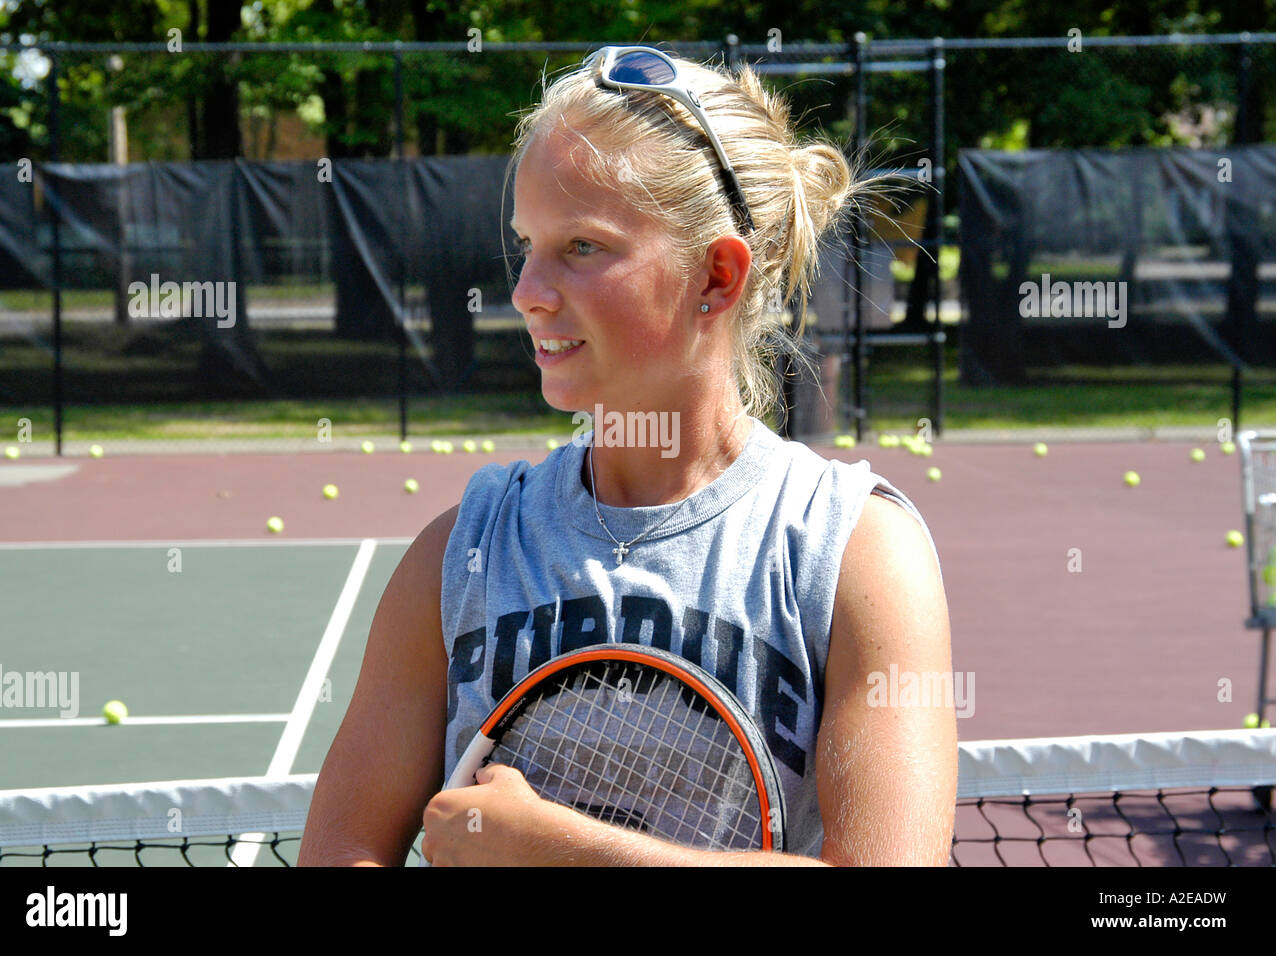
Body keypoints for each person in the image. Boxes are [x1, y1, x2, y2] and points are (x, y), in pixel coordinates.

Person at [298, 45, 955, 867]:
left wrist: (556, 851)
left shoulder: (853, 553)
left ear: (716, 276)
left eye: (581, 247)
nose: (528, 291)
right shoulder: (460, 554)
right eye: (527, 243)